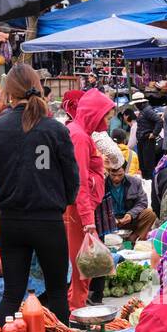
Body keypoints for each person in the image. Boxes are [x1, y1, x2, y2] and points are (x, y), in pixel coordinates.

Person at [0, 63, 75, 324]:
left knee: (12, 294)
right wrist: (62, 202)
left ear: (9, 93)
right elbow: (71, 178)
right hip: (48, 221)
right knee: (57, 292)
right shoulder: (55, 129)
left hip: (12, 220)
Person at [64, 88, 112, 311]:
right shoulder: (80, 137)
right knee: (84, 265)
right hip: (77, 211)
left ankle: (75, 308)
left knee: (83, 264)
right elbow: (80, 182)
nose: (110, 121)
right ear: (95, 113)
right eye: (107, 116)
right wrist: (88, 221)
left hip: (80, 209)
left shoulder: (80, 133)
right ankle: (75, 313)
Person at [104, 160, 156, 241]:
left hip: (129, 219)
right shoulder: (102, 183)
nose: (116, 178)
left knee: (150, 214)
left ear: (125, 171)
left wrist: (131, 214)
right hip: (109, 221)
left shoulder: (135, 182)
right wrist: (110, 217)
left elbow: (142, 202)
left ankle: (134, 238)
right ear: (108, 172)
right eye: (113, 175)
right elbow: (97, 206)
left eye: (120, 175)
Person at [135, 90, 163, 180]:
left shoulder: (147, 110)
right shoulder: (144, 110)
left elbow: (159, 121)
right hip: (142, 140)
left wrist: (154, 134)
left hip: (147, 140)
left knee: (148, 165)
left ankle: (150, 183)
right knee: (144, 165)